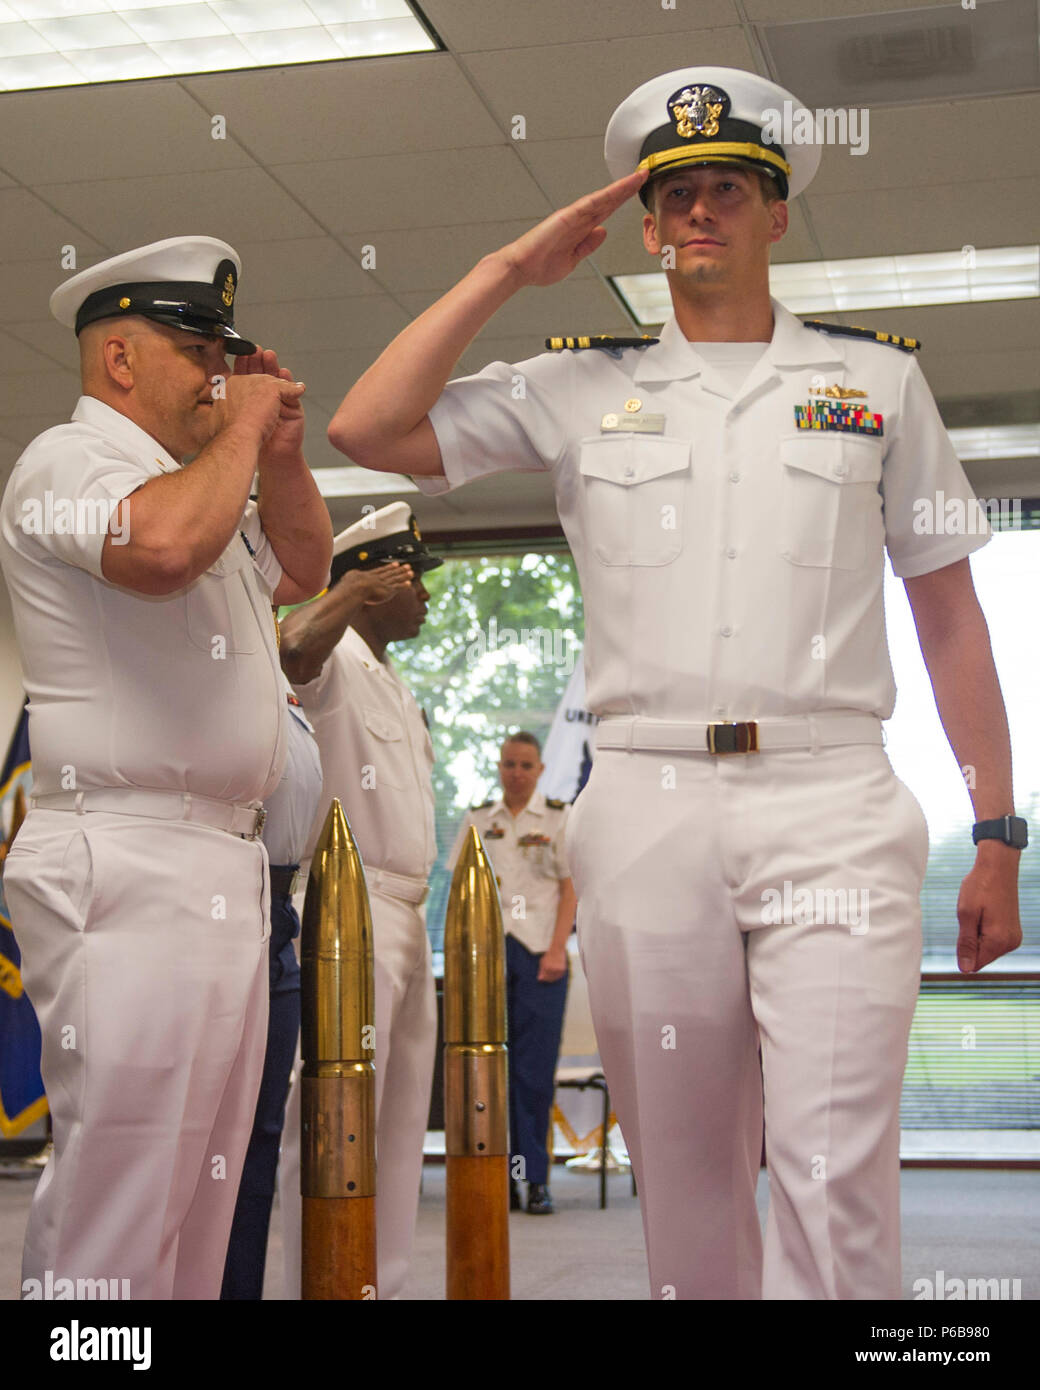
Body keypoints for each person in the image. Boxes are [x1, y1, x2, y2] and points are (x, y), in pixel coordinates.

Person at [323, 67, 1025, 1300]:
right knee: (686, 1180)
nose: (700, 212)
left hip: (832, 798)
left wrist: (996, 829)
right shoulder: (575, 385)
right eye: (676, 195)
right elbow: (368, 431)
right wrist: (503, 272)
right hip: (644, 803)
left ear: (774, 214)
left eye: (728, 191)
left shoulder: (876, 385)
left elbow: (948, 619)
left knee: (831, 1161)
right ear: (644, 227)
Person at [0, 236, 332, 1300]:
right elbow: (156, 554)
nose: (219, 373)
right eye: (197, 350)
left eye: (225, 352)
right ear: (121, 363)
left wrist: (273, 447)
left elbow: (306, 565)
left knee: (199, 1195)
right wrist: (238, 430)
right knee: (123, 1189)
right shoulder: (66, 461)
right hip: (123, 853)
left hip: (219, 863)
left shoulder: (196, 483)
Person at [279, 500, 442, 1299]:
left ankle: (380, 1282)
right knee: (335, 1118)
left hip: (408, 912)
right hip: (351, 908)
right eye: (414, 580)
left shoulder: (397, 687)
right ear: (376, 582)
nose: (427, 597)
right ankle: (317, 1280)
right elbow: (289, 648)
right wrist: (347, 591)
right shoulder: (337, 657)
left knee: (400, 1122)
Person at [220, 672, 323, 1300]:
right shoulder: (217, 644)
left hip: (278, 910)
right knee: (201, 1135)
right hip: (220, 895)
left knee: (258, 1135)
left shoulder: (276, 674)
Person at [449, 731, 575, 1215]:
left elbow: (571, 888)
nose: (517, 773)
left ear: (540, 769)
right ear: (498, 768)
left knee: (533, 1075)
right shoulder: (480, 821)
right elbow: (460, 881)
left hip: (541, 955)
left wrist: (558, 950)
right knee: (488, 1074)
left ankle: (535, 1179)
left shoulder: (559, 818)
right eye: (509, 764)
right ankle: (499, 1178)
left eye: (526, 765)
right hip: (488, 956)